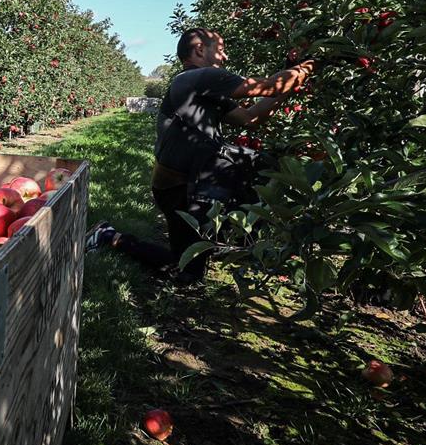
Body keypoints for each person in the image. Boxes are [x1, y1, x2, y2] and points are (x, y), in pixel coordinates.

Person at [87, 27, 315, 282]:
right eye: (221, 50)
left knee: (196, 256)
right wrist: (305, 68)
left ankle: (119, 237)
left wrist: (290, 79)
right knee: (188, 273)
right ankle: (109, 236)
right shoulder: (197, 78)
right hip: (179, 191)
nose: (225, 57)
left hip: (189, 185)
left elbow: (250, 118)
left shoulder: (205, 90)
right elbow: (268, 87)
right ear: (199, 49)